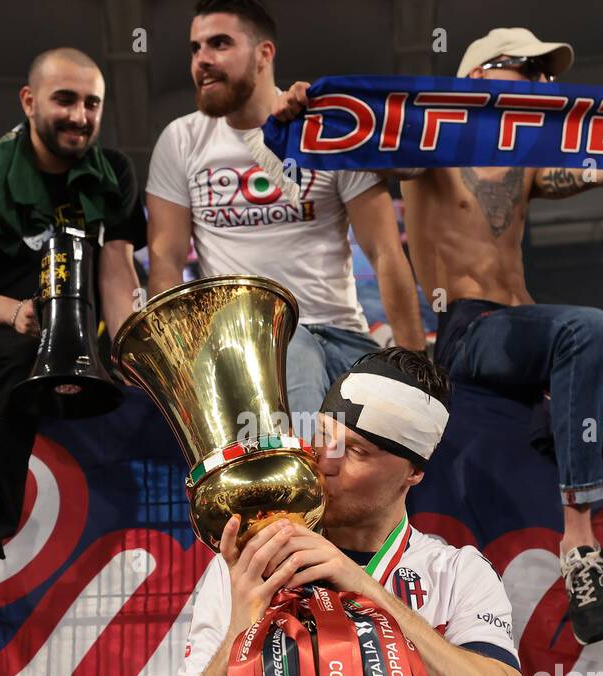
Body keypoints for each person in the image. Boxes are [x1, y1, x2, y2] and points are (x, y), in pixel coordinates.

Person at [271, 26, 603, 637]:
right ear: (476, 78)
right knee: (583, 326)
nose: (541, 84)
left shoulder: (529, 155)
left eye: (542, 75)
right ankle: (580, 545)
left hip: (540, 326)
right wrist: (305, 110)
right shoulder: (428, 141)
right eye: (526, 70)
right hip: (467, 329)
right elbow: (364, 139)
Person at [156, 347, 529, 676]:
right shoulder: (246, 564)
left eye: (357, 452)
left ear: (413, 473)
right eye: (326, 436)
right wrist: (243, 632)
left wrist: (366, 590)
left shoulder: (458, 572)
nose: (325, 462)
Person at [0, 48, 144, 637]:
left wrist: (133, 348)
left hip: (81, 349)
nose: (79, 115)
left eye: (92, 103)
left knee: (154, 380)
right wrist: (16, 312)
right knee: (19, 366)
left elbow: (117, 269)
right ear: (29, 102)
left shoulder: (114, 171)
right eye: (65, 100)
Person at [145, 0, 425, 423]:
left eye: (219, 43)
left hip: (345, 333)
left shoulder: (322, 130)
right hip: (251, 334)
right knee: (300, 379)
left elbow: (386, 252)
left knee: (390, 445)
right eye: (195, 48)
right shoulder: (181, 140)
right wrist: (180, 361)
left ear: (264, 54)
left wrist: (415, 366)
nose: (202, 59)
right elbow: (165, 257)